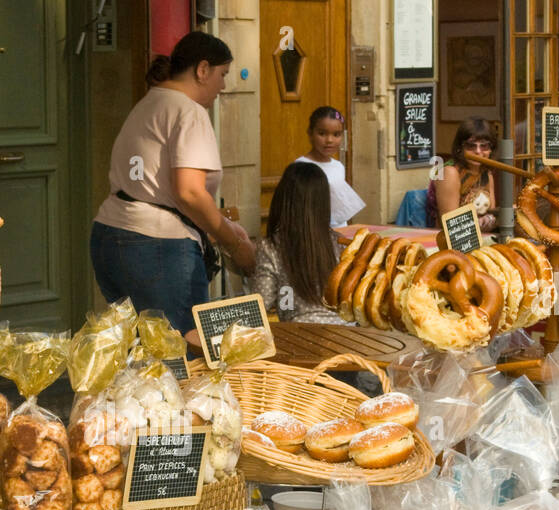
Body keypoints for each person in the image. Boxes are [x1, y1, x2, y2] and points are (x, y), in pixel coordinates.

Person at [91, 32, 254, 334]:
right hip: (157, 247)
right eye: (223, 74)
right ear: (202, 70)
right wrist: (233, 240)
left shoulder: (149, 102)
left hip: (109, 237)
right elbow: (189, 192)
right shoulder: (189, 110)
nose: (224, 86)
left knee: (139, 355)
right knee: (179, 358)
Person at [249, 161, 340, 323]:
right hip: (349, 334)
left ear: (283, 199)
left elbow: (260, 305)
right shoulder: (339, 243)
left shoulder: (271, 247)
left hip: (299, 336)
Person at [294, 106, 366, 227]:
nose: (329, 140)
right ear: (310, 133)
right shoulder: (301, 166)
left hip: (339, 232)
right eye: (322, 133)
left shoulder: (338, 167)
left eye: (336, 134)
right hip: (314, 231)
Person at [426, 118, 497, 231]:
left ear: (491, 149)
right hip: (451, 242)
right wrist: (484, 221)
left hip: (481, 237)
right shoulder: (449, 173)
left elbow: (492, 214)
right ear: (460, 148)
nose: (478, 152)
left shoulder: (487, 174)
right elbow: (451, 224)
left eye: (484, 146)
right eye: (471, 146)